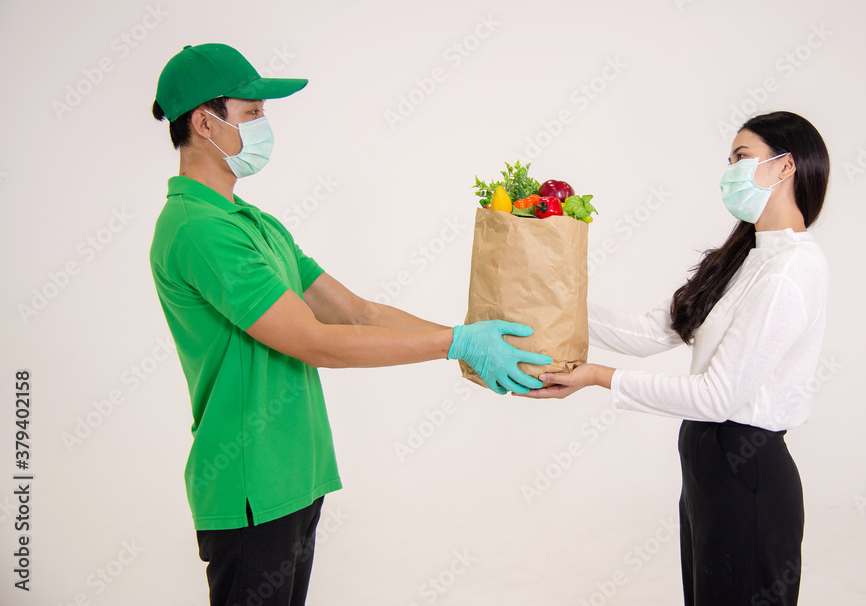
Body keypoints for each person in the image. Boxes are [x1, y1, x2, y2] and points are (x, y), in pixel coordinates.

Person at [148, 43, 552, 606]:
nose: (266, 125)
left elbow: (355, 312)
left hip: (295, 476)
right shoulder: (199, 230)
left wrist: (469, 339)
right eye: (252, 113)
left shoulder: (253, 224)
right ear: (202, 121)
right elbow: (316, 342)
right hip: (249, 486)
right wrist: (455, 344)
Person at [520, 111, 830, 605]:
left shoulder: (791, 272)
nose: (729, 171)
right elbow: (651, 330)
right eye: (728, 159)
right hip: (708, 463)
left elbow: (717, 396)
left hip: (746, 467)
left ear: (786, 166)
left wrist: (598, 377)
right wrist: (554, 302)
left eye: (741, 158)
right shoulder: (746, 257)